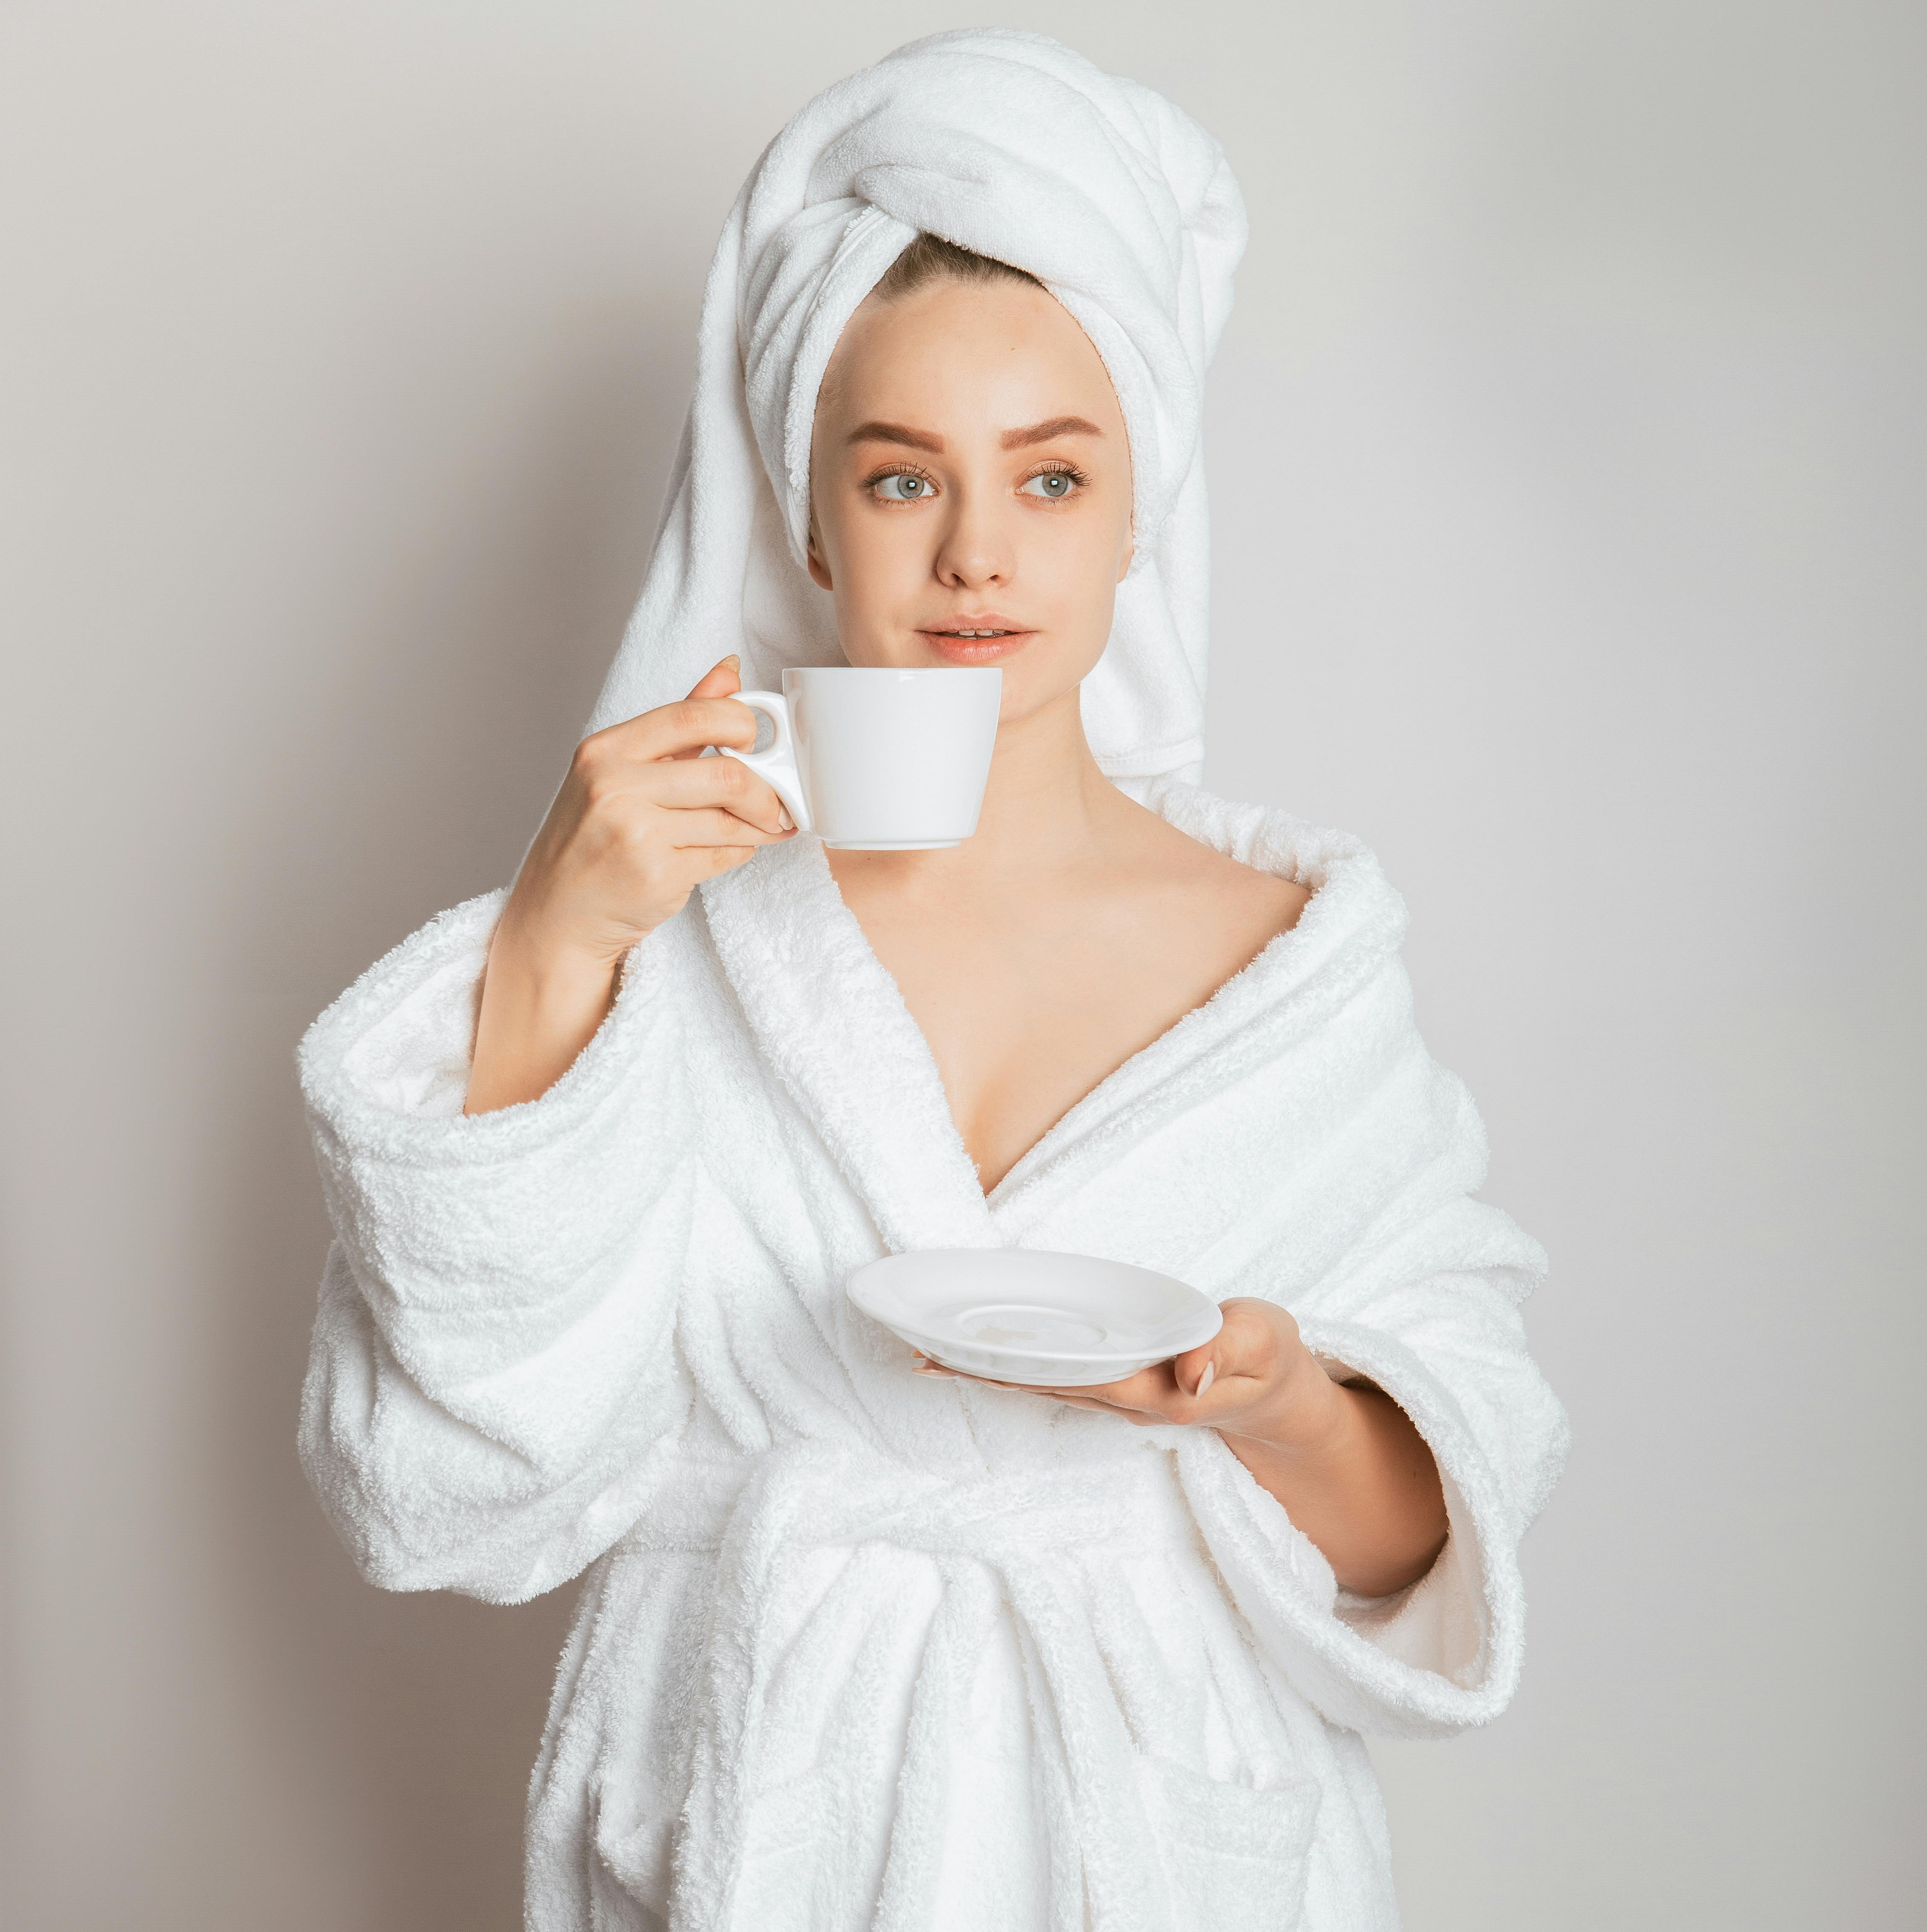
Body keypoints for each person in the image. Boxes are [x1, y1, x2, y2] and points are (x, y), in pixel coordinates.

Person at [297, 30, 1567, 1932]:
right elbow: (456, 1496)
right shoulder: (673, 943)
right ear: (807, 519)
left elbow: (1437, 1539)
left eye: (1053, 480)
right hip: (758, 1824)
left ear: (1144, 511)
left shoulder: (1290, 976)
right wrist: (557, 940)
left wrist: (1286, 1400)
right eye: (903, 481)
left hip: (1169, 1839)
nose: (978, 554)